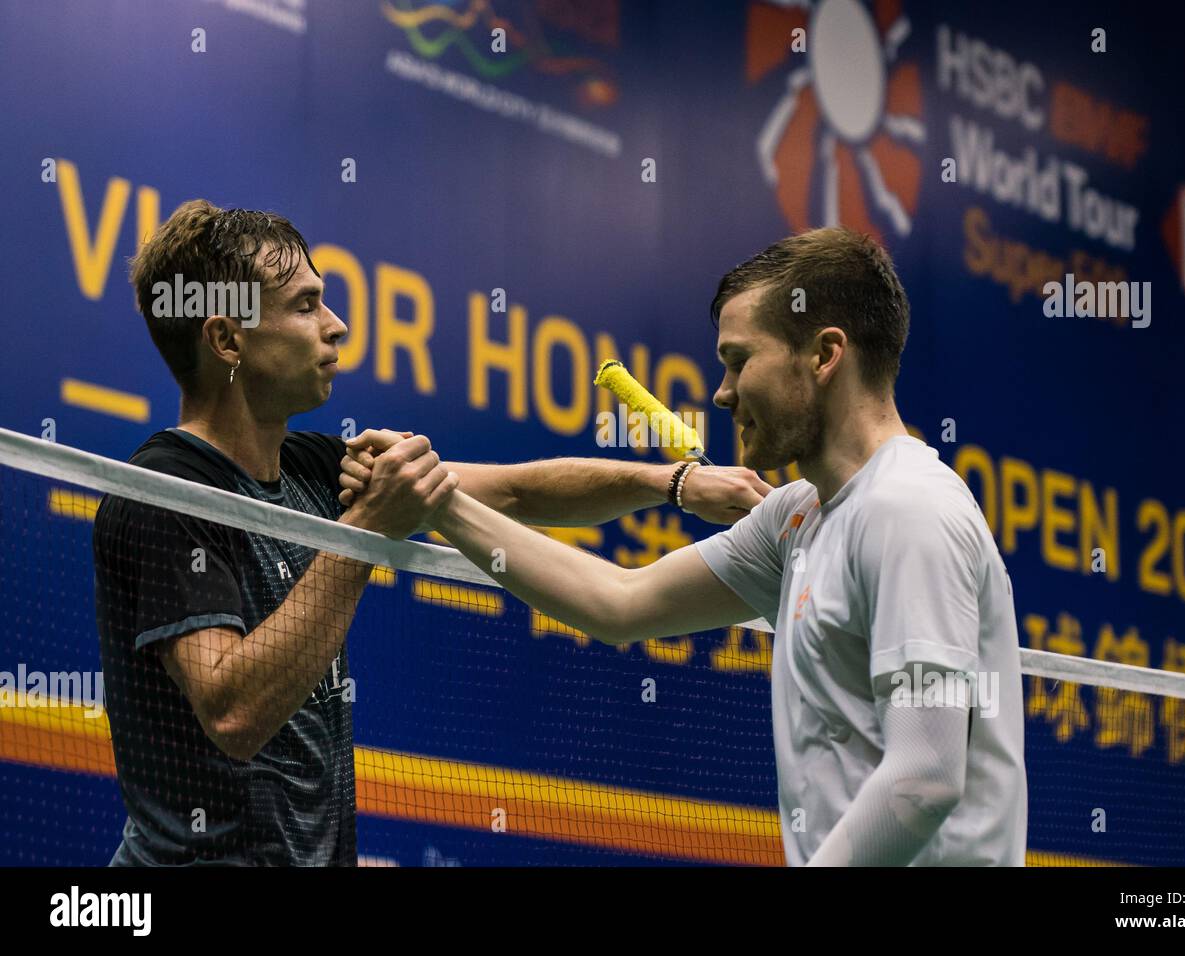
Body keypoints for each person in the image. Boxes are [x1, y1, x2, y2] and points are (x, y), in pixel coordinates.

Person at [93, 199, 770, 866]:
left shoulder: (316, 468)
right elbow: (234, 715)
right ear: (228, 338)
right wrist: (365, 532)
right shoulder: (167, 494)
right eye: (305, 306)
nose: (337, 326)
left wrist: (673, 485)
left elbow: (515, 491)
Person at [343, 226, 1029, 865]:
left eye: (739, 361)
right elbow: (620, 602)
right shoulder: (800, 518)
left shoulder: (908, 509)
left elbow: (925, 777)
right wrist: (438, 499)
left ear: (824, 355)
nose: (722, 393)